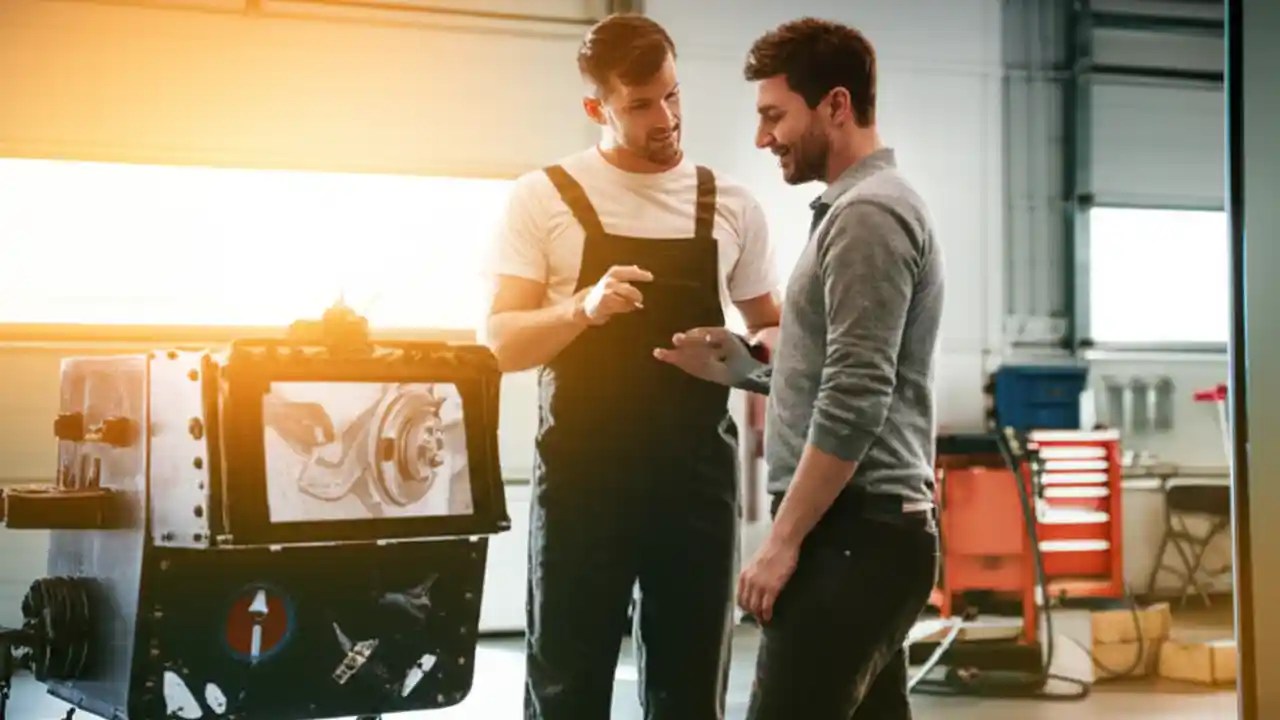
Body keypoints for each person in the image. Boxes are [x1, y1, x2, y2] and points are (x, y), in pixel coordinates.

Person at [481, 13, 781, 719]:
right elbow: (499, 342)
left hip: (698, 484)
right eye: (641, 105)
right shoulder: (545, 196)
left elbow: (772, 326)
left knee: (690, 689)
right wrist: (577, 311)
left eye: (673, 95)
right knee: (566, 686)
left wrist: (748, 358)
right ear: (597, 107)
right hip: (584, 481)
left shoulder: (728, 202)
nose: (666, 118)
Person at [655, 17, 944, 720]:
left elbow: (856, 395)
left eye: (774, 116)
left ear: (836, 106)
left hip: (853, 539)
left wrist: (782, 543)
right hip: (863, 535)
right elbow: (840, 373)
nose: (763, 139)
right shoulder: (855, 209)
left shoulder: (870, 216)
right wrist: (747, 369)